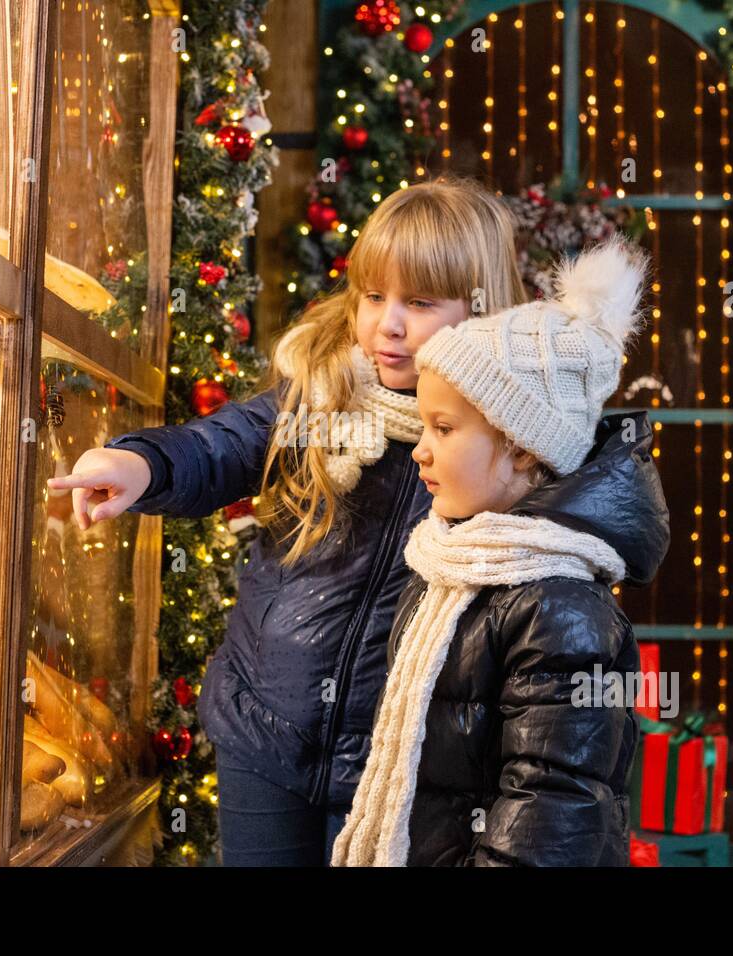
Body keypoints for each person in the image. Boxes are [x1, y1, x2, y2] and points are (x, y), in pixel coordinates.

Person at [47, 178, 530, 865]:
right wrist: (142, 466)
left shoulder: (491, 445)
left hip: (390, 763)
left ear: (480, 311)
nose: (388, 324)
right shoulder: (324, 395)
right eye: (373, 297)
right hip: (265, 734)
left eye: (419, 303)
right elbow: (222, 447)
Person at [331, 236, 670, 866]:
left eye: (444, 428)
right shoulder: (448, 565)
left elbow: (550, 803)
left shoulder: (561, 611)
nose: (421, 449)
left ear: (521, 447)